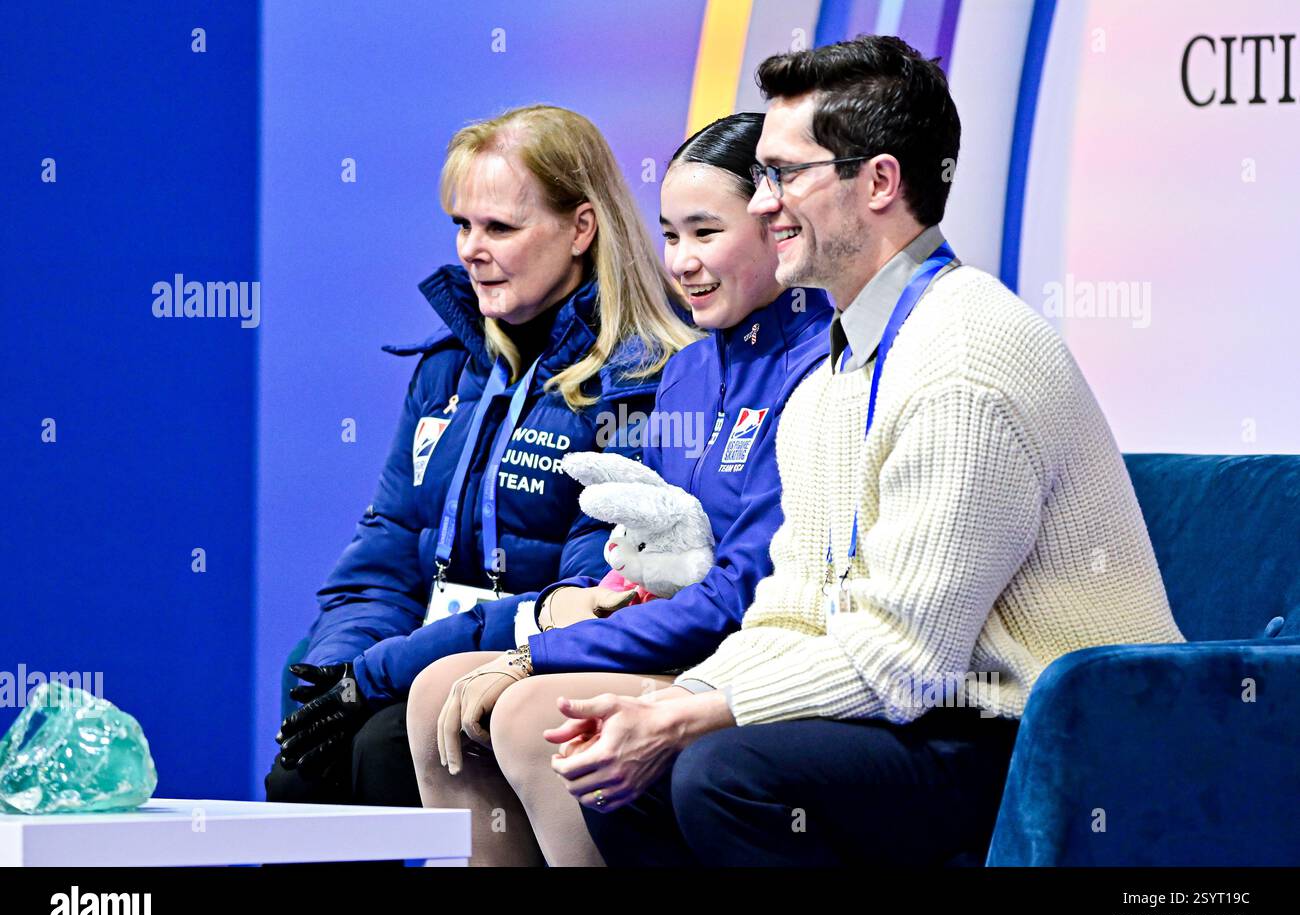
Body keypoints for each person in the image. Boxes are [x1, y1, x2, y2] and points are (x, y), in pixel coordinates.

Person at [544, 35, 1186, 866]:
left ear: (878, 182)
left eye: (784, 174)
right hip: (937, 718)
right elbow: (793, 610)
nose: (764, 201)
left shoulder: (962, 361)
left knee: (722, 772)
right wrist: (679, 701)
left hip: (1060, 738)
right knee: (625, 771)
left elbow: (906, 665)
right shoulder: (838, 369)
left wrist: (690, 713)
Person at [405, 112, 835, 865]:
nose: (683, 263)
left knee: (536, 714)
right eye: (670, 236)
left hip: (757, 660)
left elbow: (741, 593)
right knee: (436, 691)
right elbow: (646, 564)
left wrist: (540, 651)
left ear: (778, 227)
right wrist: (593, 601)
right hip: (682, 639)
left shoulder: (823, 370)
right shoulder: (689, 372)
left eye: (706, 233)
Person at [265, 105, 697, 810]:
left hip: (532, 669)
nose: (471, 249)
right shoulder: (448, 368)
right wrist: (340, 667)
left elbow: (587, 600)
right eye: (462, 225)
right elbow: (388, 546)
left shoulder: (640, 382)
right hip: (422, 660)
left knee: (381, 748)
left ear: (581, 228)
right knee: (306, 744)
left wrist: (379, 673)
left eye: (500, 227)